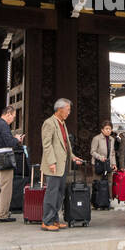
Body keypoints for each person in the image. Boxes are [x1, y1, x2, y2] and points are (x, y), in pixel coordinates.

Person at [39, 98, 83, 232]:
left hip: (63, 164)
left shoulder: (62, 123)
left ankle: (55, 219)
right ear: (60, 109)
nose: (69, 112)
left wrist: (73, 157)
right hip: (54, 164)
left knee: (59, 193)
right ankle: (47, 221)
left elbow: (66, 144)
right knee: (52, 193)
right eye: (68, 109)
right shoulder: (49, 123)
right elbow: (47, 145)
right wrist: (51, 162)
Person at [0, 105, 23, 223]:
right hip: (5, 160)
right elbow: (9, 142)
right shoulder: (4, 126)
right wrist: (17, 139)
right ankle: (2, 214)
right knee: (6, 188)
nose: (13, 119)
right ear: (8, 114)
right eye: (13, 116)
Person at [90, 120, 117, 187]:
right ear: (102, 130)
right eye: (106, 129)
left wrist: (114, 164)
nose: (108, 130)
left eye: (110, 129)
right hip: (98, 164)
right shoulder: (96, 138)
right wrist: (100, 157)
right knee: (98, 183)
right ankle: (97, 197)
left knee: (109, 183)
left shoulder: (112, 139)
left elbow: (112, 153)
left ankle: (108, 197)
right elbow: (92, 151)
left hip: (108, 164)